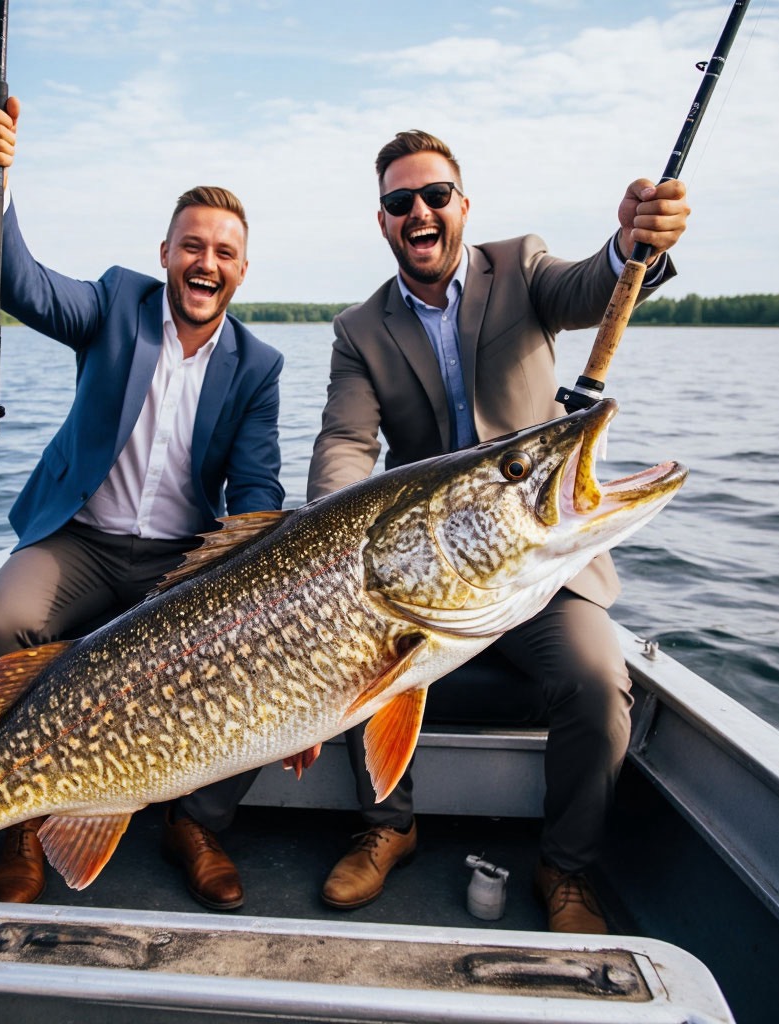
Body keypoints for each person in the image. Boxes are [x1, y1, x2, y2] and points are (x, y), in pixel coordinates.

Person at [306, 130, 691, 933]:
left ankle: (567, 869)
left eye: (435, 195)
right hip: (426, 568)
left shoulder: (519, 266)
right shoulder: (359, 329)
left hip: (535, 563)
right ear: (383, 222)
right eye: (399, 201)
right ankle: (388, 830)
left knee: (595, 680)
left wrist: (631, 246)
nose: (420, 211)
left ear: (462, 205)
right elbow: (346, 443)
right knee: (348, 648)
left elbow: (593, 285)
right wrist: (334, 543)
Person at [0, 96, 285, 912]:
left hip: (180, 561)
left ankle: (194, 824)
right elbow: (22, 285)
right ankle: (20, 824)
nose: (207, 264)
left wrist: (265, 575)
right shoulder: (114, 305)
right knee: (1, 623)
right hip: (84, 541)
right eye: (193, 246)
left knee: (268, 663)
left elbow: (258, 491)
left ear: (243, 270)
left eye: (225, 254)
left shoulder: (259, 364)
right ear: (165, 253)